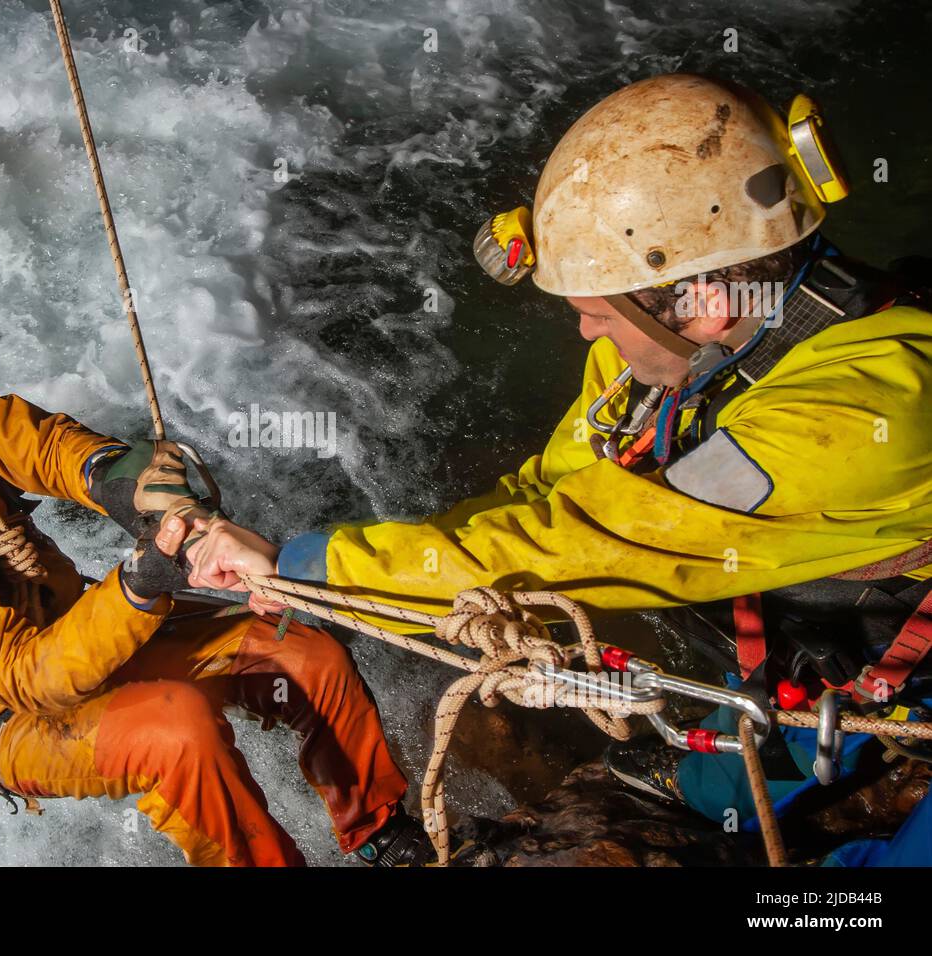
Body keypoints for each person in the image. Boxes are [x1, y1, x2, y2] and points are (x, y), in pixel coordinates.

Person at [186, 73, 932, 860]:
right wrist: (377, 573)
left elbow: (587, 543)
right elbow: (548, 495)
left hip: (894, 649)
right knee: (721, 783)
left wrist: (306, 565)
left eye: (595, 310)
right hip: (843, 645)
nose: (583, 333)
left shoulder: (860, 416)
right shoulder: (665, 355)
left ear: (702, 301)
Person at [0, 299, 496, 866]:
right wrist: (147, 578)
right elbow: (33, 676)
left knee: (304, 651)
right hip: (10, 712)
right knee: (175, 728)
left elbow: (28, 440)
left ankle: (385, 834)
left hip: (80, 625)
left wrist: (122, 480)